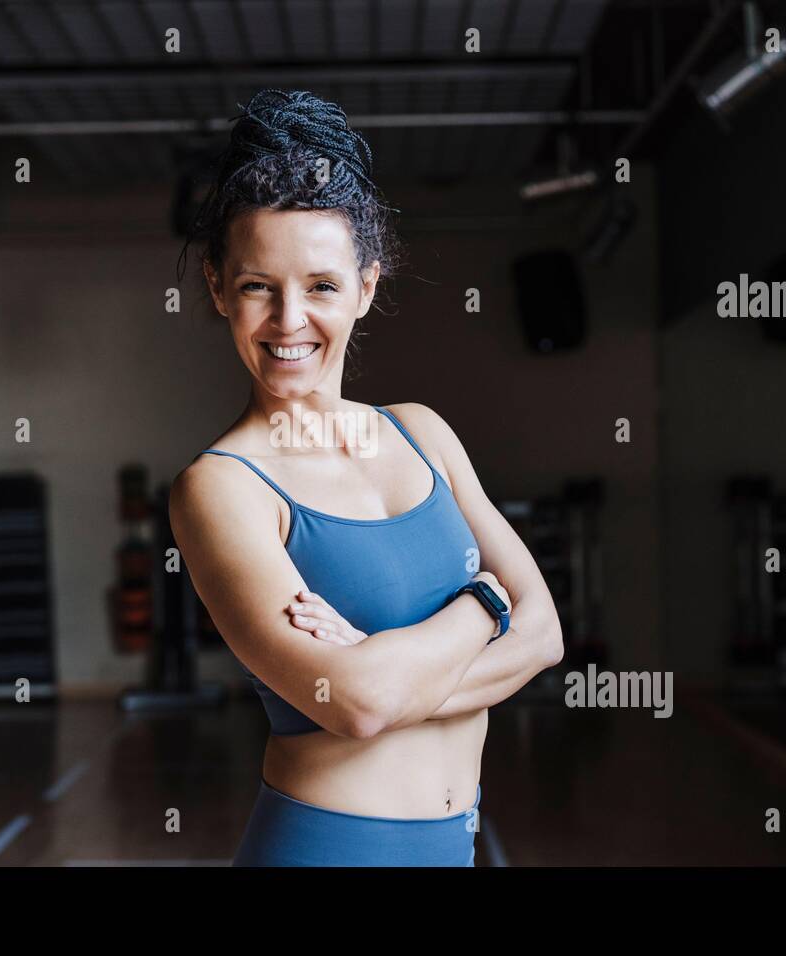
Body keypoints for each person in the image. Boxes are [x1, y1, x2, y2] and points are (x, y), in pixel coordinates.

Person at [169, 89, 563, 866]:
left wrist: (387, 670)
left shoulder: (423, 434)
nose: (289, 320)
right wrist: (485, 604)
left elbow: (546, 633)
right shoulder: (221, 489)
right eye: (257, 286)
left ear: (366, 287)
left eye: (320, 285)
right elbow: (354, 702)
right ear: (217, 288)